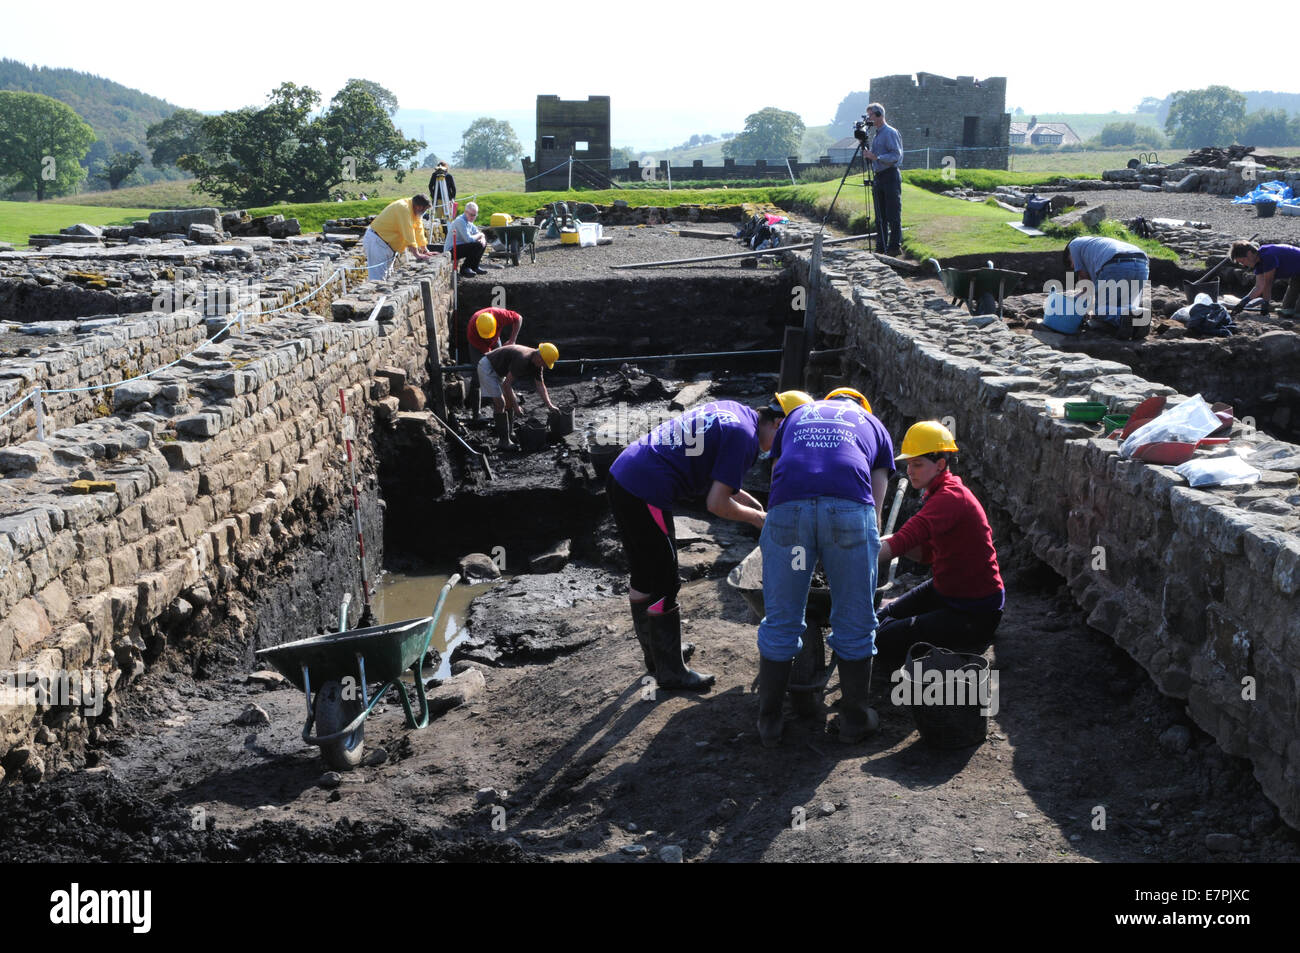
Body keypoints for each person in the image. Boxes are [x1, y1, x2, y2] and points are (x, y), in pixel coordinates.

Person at [607, 395, 795, 691]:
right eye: (787, 440)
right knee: (666, 582)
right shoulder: (743, 438)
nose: (783, 450)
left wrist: (754, 506)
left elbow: (716, 476)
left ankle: (658, 654)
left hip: (625, 473)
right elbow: (717, 504)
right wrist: (759, 520)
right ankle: (670, 672)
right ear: (780, 423)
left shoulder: (734, 412)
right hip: (645, 488)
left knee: (644, 574)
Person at [755, 388, 894, 747]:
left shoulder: (796, 417)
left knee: (781, 618)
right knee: (855, 620)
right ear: (861, 406)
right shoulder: (874, 425)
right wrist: (858, 544)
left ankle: (768, 721)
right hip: (849, 511)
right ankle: (854, 719)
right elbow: (875, 507)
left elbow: (777, 475)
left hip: (789, 509)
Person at [874, 421, 1004, 674]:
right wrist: (877, 544)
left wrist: (854, 558)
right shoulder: (938, 492)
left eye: (918, 464)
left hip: (975, 612)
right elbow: (927, 555)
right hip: (946, 590)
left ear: (941, 464)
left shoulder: (950, 498)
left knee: (882, 639)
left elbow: (904, 540)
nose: (910, 471)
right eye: (909, 464)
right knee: (878, 619)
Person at [1063, 236, 1150, 338]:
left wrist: (1079, 305)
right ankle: (1139, 319)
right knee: (1121, 306)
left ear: (1068, 255)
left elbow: (1086, 284)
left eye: (1071, 263)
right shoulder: (1095, 245)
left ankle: (1122, 317)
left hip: (1116, 265)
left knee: (1100, 310)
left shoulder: (1073, 244)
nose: (1074, 267)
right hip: (1142, 266)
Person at [478, 343, 558, 449]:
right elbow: (507, 385)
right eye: (544, 363)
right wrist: (516, 407)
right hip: (488, 367)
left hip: (499, 370)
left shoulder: (536, 363)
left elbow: (540, 385)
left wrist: (550, 405)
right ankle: (503, 442)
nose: (544, 366)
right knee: (500, 403)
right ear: (540, 357)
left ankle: (509, 434)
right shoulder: (523, 359)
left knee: (510, 401)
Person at [465, 308, 523, 417]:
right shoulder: (472, 331)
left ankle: (505, 404)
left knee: (502, 372)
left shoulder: (500, 315)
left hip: (495, 340)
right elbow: (488, 358)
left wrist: (512, 340)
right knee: (479, 373)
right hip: (478, 346)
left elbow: (519, 318)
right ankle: (476, 413)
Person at [362, 194, 433, 281]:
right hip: (377, 242)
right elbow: (408, 232)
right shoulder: (404, 208)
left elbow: (418, 228)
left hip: (386, 244)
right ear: (419, 207)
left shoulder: (413, 210)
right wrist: (416, 254)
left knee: (387, 278)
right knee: (377, 279)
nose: (425, 212)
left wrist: (424, 249)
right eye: (425, 209)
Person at [863, 103, 903, 256]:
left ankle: (894, 247)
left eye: (871, 115)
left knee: (893, 213)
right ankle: (881, 247)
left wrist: (876, 157)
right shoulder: (877, 134)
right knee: (880, 215)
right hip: (879, 176)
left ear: (879, 115)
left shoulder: (890, 132)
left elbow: (896, 156)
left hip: (890, 175)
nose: (869, 119)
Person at [1229, 240, 1300, 319]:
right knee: (1286, 309)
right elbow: (1259, 287)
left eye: (1242, 261)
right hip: (1297, 273)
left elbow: (1268, 284)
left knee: (1298, 313)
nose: (1244, 265)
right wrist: (1242, 303)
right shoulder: (1259, 263)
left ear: (1249, 254)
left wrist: (1265, 304)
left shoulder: (1268, 256)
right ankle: (1289, 310)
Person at [444, 201, 488, 276]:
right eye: (471, 215)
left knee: (482, 243)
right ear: (465, 212)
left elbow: (478, 233)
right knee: (478, 245)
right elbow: (468, 239)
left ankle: (474, 267)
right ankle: (465, 268)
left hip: (461, 247)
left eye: (475, 215)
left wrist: (482, 237)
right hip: (451, 250)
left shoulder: (469, 221)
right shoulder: (460, 221)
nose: (473, 217)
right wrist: (480, 235)